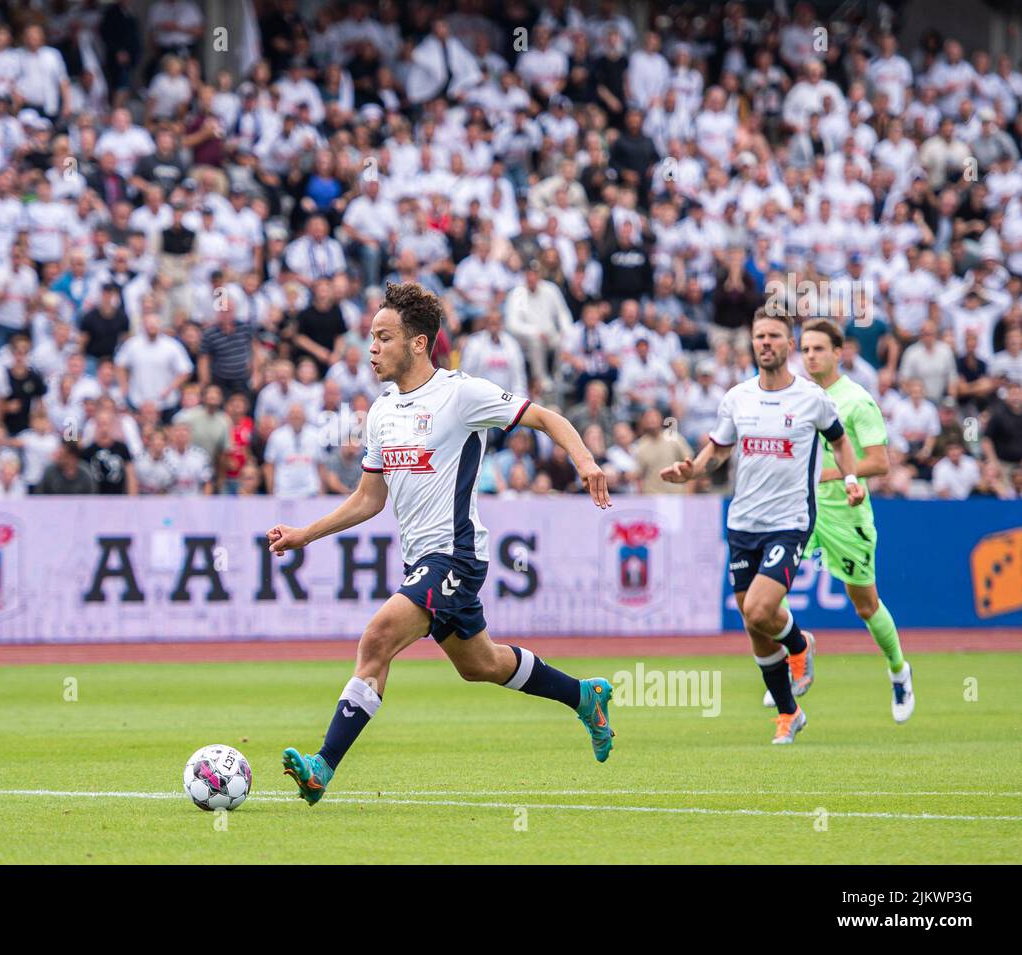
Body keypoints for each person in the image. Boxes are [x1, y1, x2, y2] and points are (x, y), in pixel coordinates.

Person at [266, 281, 616, 805]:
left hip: (455, 556)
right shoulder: (381, 412)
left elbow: (546, 417)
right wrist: (303, 535)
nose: (372, 348)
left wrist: (584, 461)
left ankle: (322, 766)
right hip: (421, 563)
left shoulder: (461, 394)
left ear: (419, 343)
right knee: (482, 665)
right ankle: (584, 696)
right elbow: (368, 499)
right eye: (371, 337)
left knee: (377, 638)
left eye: (384, 337)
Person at [661, 309, 867, 744]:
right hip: (742, 521)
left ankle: (798, 646)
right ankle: (789, 714)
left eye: (774, 336)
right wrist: (692, 470)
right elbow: (717, 449)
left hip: (789, 522)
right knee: (754, 624)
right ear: (751, 343)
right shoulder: (737, 397)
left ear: (789, 345)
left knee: (758, 609)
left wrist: (850, 479)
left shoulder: (811, 399)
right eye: (759, 336)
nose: (765, 343)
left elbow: (841, 443)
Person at [794, 319, 913, 722]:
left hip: (846, 514)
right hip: (801, 511)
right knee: (767, 587)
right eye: (805, 349)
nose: (811, 356)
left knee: (865, 605)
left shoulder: (857, 401)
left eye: (818, 349)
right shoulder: (795, 395)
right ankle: (793, 660)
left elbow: (880, 461)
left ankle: (898, 669)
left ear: (838, 352)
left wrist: (836, 476)